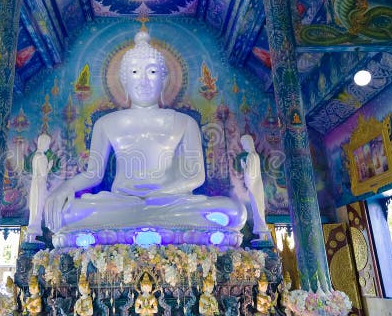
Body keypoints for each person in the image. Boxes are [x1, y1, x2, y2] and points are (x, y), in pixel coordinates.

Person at [44, 27, 246, 246]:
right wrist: (65, 188)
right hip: (121, 203)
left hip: (171, 203)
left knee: (233, 212)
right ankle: (161, 228)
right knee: (68, 213)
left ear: (164, 79)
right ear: (123, 80)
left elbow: (194, 176)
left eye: (151, 72)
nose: (143, 81)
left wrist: (158, 196)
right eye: (134, 73)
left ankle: (131, 226)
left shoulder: (184, 122)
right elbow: (93, 173)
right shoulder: (106, 123)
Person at [240, 135, 270, 239]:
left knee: (257, 209)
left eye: (243, 144)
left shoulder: (251, 156)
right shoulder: (255, 155)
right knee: (258, 209)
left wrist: (244, 167)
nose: (243, 147)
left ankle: (262, 232)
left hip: (254, 187)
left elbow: (250, 175)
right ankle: (263, 234)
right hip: (257, 187)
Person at [26, 134, 52, 242]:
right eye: (47, 144)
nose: (48, 147)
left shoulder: (36, 156)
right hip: (39, 184)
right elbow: (43, 173)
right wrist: (49, 166)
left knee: (35, 208)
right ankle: (33, 233)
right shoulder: (42, 157)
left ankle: (32, 235)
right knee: (37, 208)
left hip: (36, 184)